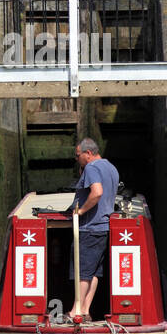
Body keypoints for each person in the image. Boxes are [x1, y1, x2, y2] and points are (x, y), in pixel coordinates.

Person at [68, 137, 119, 321]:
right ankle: (86, 309)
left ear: (88, 154)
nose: (76, 159)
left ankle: (76, 311)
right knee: (94, 271)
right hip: (104, 227)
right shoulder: (111, 167)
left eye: (78, 155)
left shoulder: (92, 168)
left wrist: (80, 211)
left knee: (82, 271)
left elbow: (97, 192)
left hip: (89, 227)